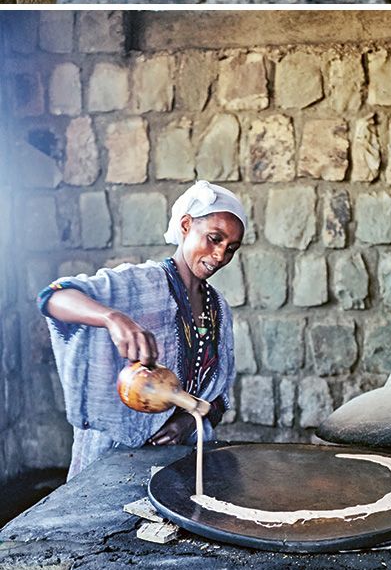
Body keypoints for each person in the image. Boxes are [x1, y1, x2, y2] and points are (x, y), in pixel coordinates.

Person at [38, 180, 245, 478]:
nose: (220, 255)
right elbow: (53, 295)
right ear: (186, 225)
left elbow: (219, 396)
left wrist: (188, 419)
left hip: (182, 461)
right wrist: (112, 318)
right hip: (112, 465)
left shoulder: (219, 309)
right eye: (214, 239)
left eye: (231, 249)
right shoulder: (138, 284)